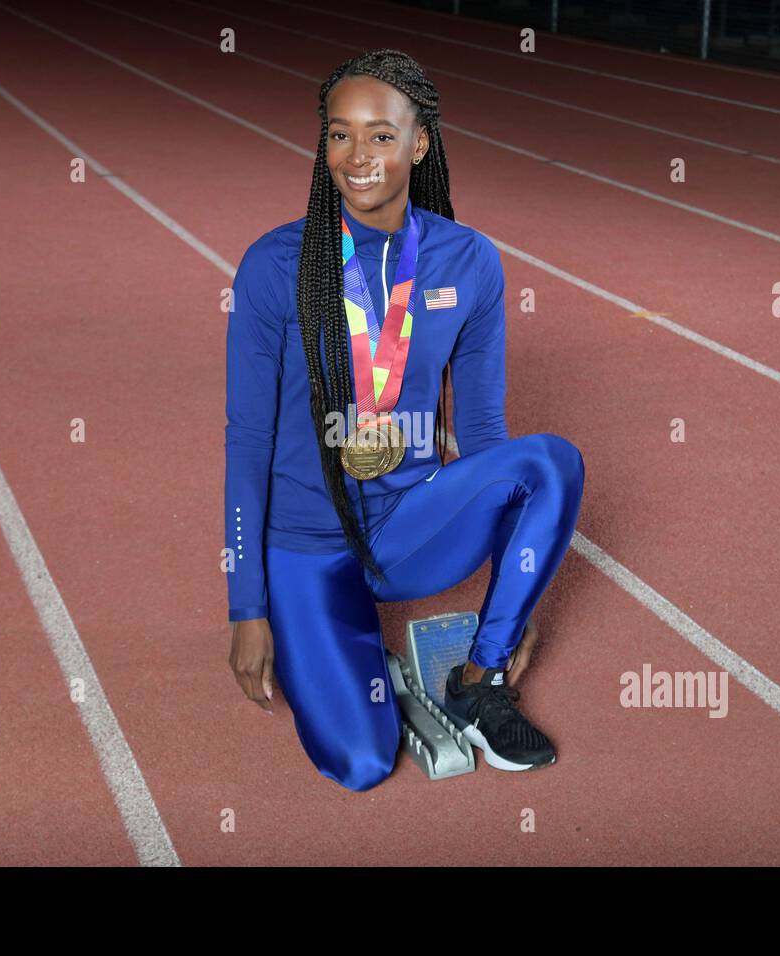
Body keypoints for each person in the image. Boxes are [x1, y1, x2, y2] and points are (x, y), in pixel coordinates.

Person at [224, 49, 584, 791]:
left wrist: (513, 603)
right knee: (359, 762)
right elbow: (247, 439)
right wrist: (247, 607)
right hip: (308, 541)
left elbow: (485, 433)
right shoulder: (274, 264)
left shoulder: (467, 262)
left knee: (550, 461)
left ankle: (477, 680)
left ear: (420, 143)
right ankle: (349, 654)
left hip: (410, 527)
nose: (358, 157)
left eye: (381, 136)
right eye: (339, 134)